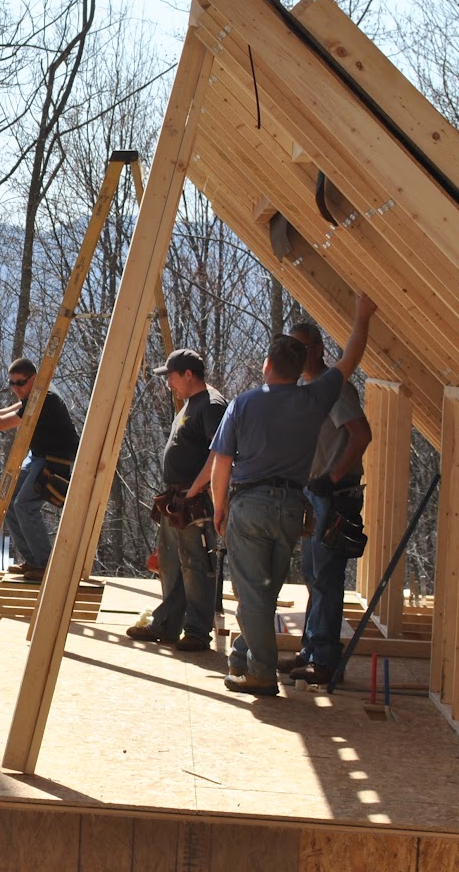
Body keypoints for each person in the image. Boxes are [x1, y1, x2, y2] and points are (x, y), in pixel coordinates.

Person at [210, 294, 377, 696]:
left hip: (250, 505)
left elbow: (221, 463)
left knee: (252, 592)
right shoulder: (313, 398)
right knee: (264, 590)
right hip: (292, 509)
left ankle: (261, 673)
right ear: (302, 364)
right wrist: (362, 316)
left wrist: (219, 508)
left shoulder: (243, 404)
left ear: (267, 367)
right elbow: (351, 358)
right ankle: (243, 659)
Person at [287, 321, 372, 685]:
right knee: (312, 574)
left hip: (334, 496)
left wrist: (332, 478)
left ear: (318, 349)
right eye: (289, 349)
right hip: (314, 492)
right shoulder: (306, 389)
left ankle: (324, 658)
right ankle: (310, 650)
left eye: (301, 349)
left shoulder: (334, 390)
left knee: (326, 576)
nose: (294, 356)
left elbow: (362, 434)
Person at [127, 349, 226, 652]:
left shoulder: (211, 405)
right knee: (171, 563)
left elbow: (220, 454)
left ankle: (197, 632)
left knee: (196, 565)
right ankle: (167, 626)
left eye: (171, 376)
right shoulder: (190, 405)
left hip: (194, 498)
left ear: (187, 374)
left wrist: (196, 489)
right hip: (178, 496)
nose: (168, 382)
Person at [0, 357, 80, 582]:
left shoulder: (43, 399)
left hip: (55, 461)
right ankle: (33, 561)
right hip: (38, 457)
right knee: (10, 503)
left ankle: (45, 564)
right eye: (12, 384)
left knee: (24, 506)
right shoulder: (33, 395)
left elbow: (0, 424)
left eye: (21, 383)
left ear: (34, 379)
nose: (16, 388)